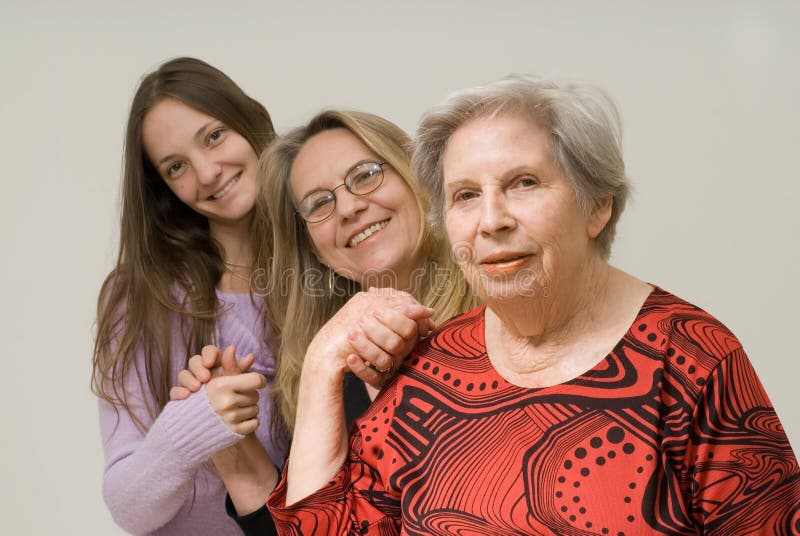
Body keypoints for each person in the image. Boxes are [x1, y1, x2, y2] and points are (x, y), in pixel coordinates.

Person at [267, 76, 800, 534]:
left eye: (523, 183)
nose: (491, 220)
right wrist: (320, 364)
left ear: (597, 206)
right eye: (465, 195)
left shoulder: (692, 358)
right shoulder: (427, 373)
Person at [171, 109, 480, 530]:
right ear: (316, 251)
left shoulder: (505, 316)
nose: (349, 208)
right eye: (319, 203)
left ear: (418, 179)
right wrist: (235, 454)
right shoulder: (336, 383)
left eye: (366, 174)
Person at [92, 57, 284, 535]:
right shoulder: (141, 297)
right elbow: (129, 509)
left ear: (254, 119)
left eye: (214, 136)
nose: (207, 172)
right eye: (176, 166)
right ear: (163, 188)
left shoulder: (333, 266)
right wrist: (198, 422)